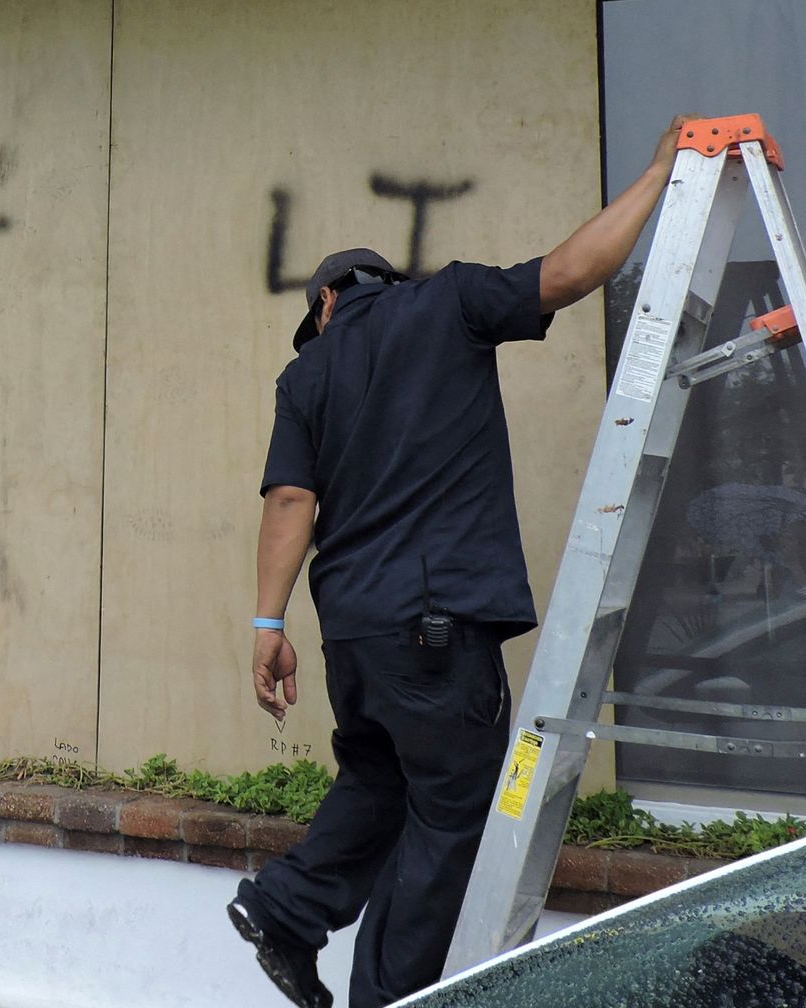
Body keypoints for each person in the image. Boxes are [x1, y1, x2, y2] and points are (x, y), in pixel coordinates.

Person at [226, 115, 693, 1008]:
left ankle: (287, 907)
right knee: (451, 813)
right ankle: (390, 998)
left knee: (379, 774)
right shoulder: (449, 303)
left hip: (354, 636)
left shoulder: (306, 377)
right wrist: (660, 171)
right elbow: (569, 273)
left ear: (324, 305)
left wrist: (266, 626)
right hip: (435, 631)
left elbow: (291, 501)